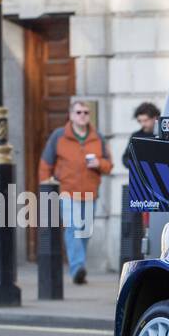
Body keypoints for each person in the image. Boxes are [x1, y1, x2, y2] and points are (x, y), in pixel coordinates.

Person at [38, 101, 112, 285]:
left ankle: (79, 268)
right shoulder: (59, 136)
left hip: (89, 192)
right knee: (73, 227)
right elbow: (45, 163)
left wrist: (99, 164)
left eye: (86, 112)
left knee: (85, 232)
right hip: (67, 191)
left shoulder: (98, 137)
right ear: (71, 115)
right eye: (78, 112)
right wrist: (46, 186)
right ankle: (77, 267)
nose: (82, 115)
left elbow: (109, 165)